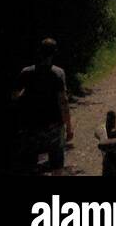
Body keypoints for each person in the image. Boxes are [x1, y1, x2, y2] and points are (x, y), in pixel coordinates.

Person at [13, 38, 72, 175]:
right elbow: (63, 101)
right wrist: (68, 126)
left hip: (31, 126)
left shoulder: (26, 72)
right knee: (57, 165)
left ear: (39, 52)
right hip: (54, 126)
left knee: (31, 165)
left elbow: (14, 96)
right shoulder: (58, 73)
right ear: (54, 53)